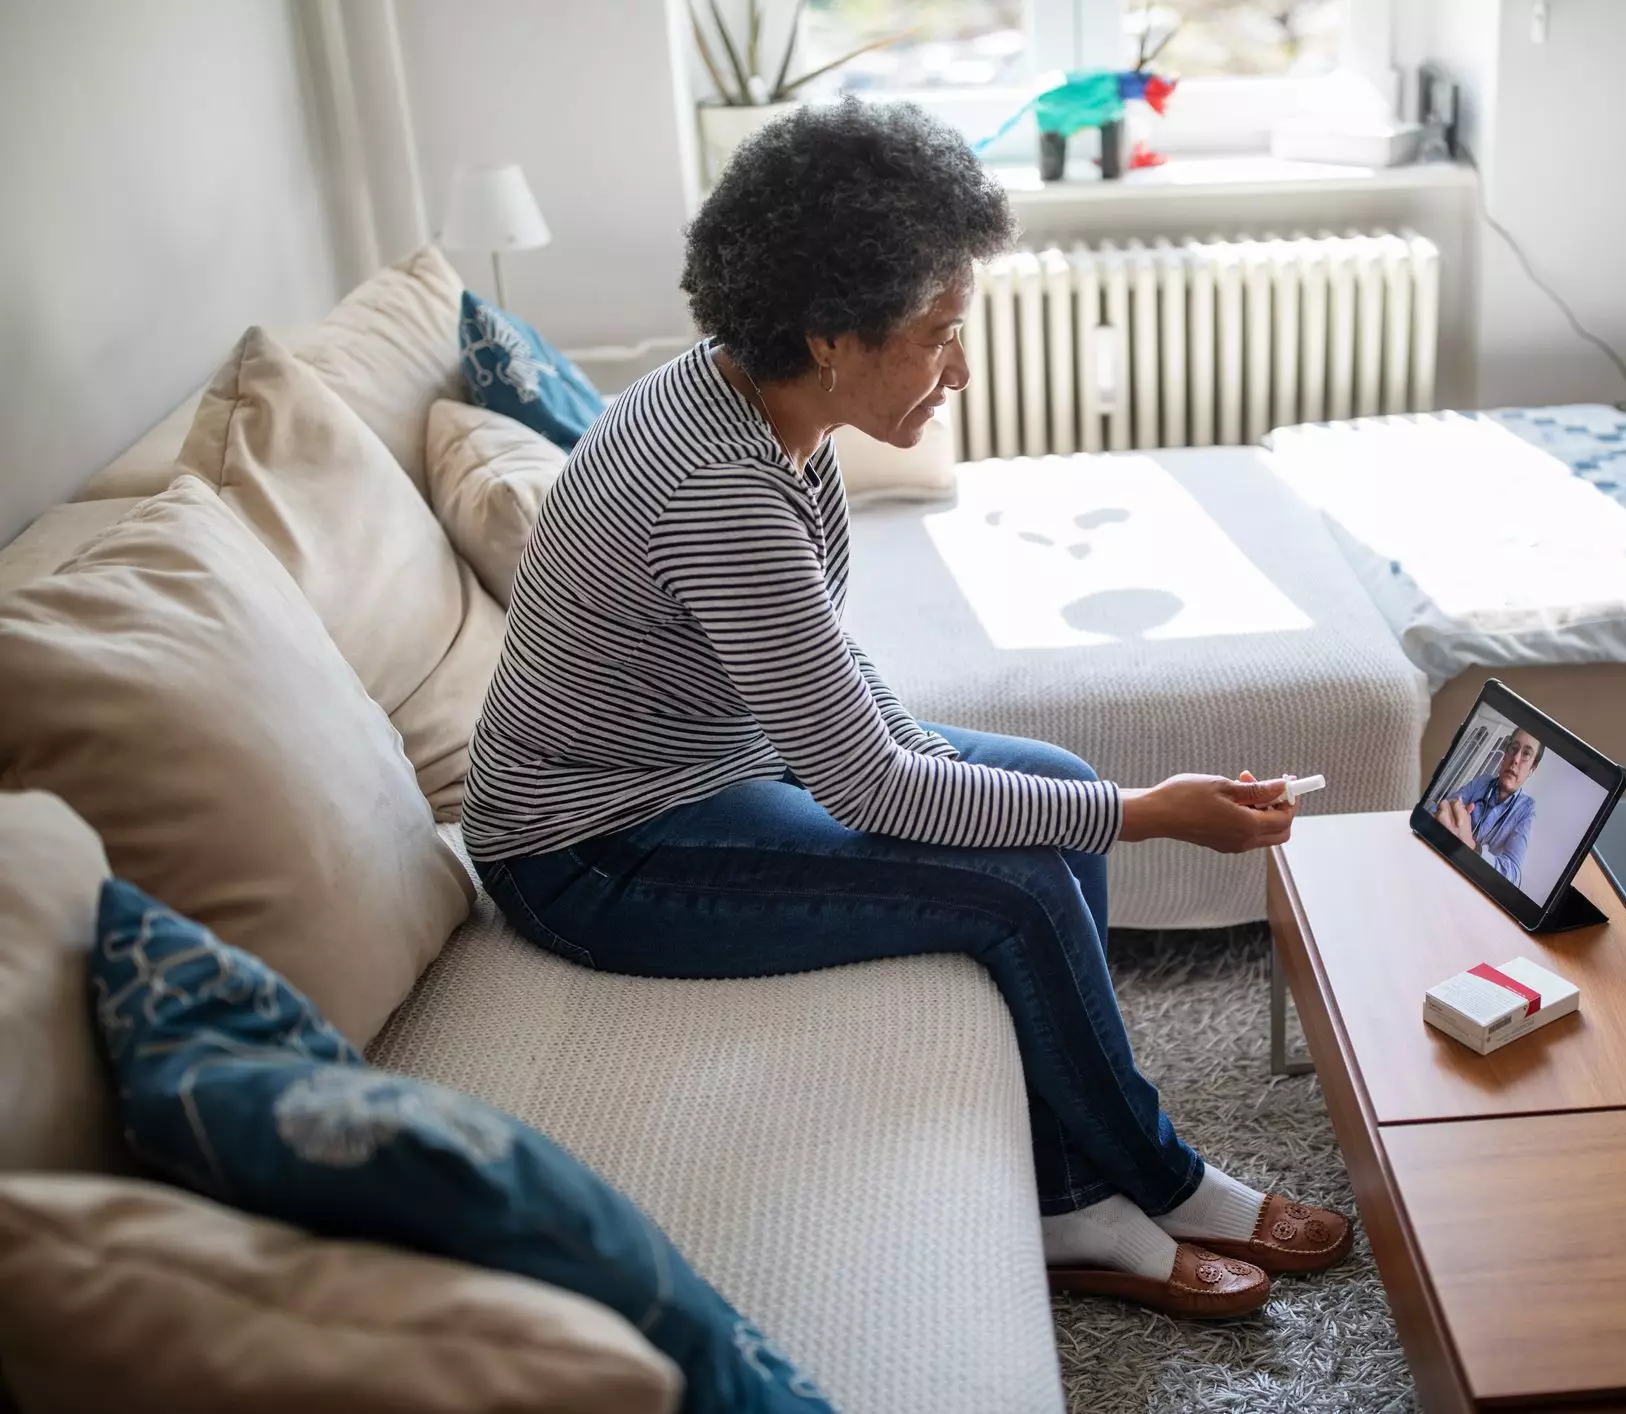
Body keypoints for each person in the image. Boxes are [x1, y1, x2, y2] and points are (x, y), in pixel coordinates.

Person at [460, 99, 1350, 1322]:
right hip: (588, 852)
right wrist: (1146, 812)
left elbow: (829, 672)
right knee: (1025, 878)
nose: (962, 368)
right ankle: (1158, 1178)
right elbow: (868, 786)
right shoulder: (721, 486)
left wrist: (1003, 775)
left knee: (1038, 775)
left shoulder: (762, 404)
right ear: (830, 335)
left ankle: (1065, 1196)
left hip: (713, 769)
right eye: (940, 332)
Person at [1434, 727, 1542, 885]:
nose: (1516, 759)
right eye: (1513, 748)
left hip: (1474, 882)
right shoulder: (1482, 782)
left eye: (1526, 754)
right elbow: (1443, 808)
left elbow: (1513, 876)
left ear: (1532, 768)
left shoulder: (1527, 809)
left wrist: (1471, 846)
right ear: (1505, 753)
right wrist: (1441, 815)